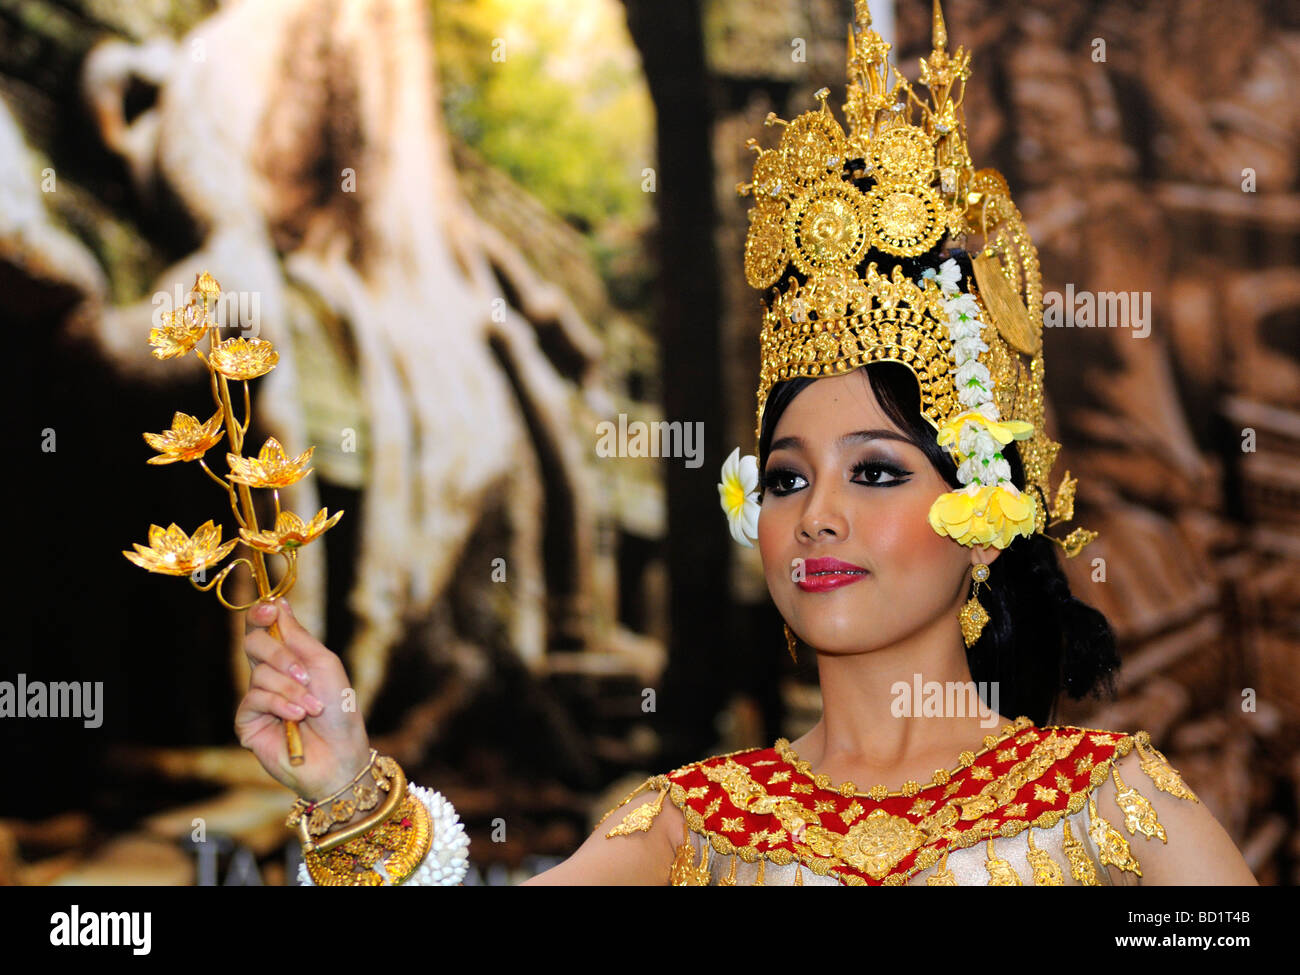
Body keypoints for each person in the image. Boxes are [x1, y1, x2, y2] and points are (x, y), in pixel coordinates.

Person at [235, 0, 1258, 885]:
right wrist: (346, 788)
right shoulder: (694, 827)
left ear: (984, 522)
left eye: (874, 470)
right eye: (783, 478)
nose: (815, 513)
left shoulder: (1114, 810)